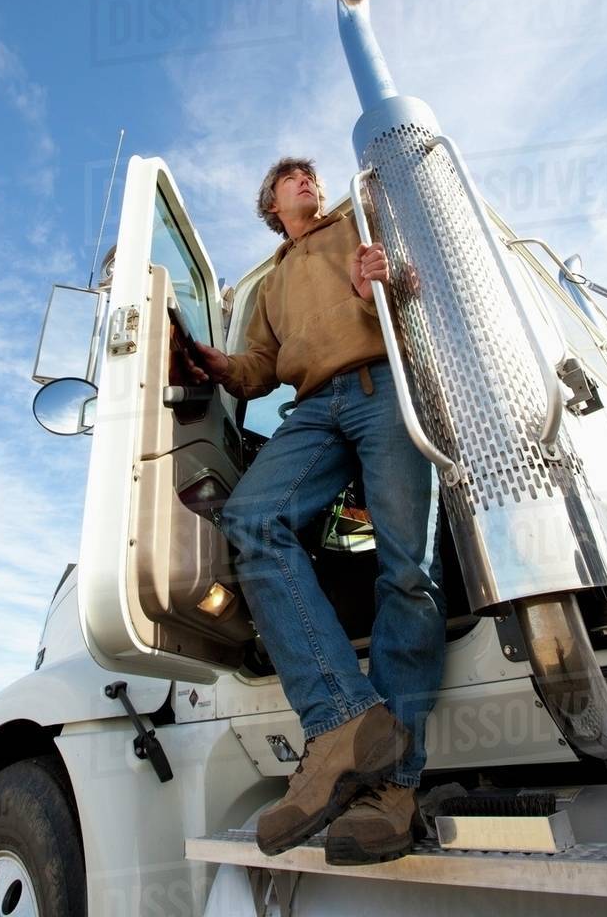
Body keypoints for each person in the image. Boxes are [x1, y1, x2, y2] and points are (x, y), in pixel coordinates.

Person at [192, 157, 446, 867]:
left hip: (382, 385)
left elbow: (420, 286)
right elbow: (258, 367)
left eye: (310, 174)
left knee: (407, 571)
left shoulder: (359, 222)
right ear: (271, 205)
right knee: (251, 519)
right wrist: (220, 365)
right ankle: (340, 720)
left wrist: (387, 279)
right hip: (312, 409)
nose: (307, 180)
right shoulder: (271, 283)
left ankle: (391, 793)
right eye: (290, 178)